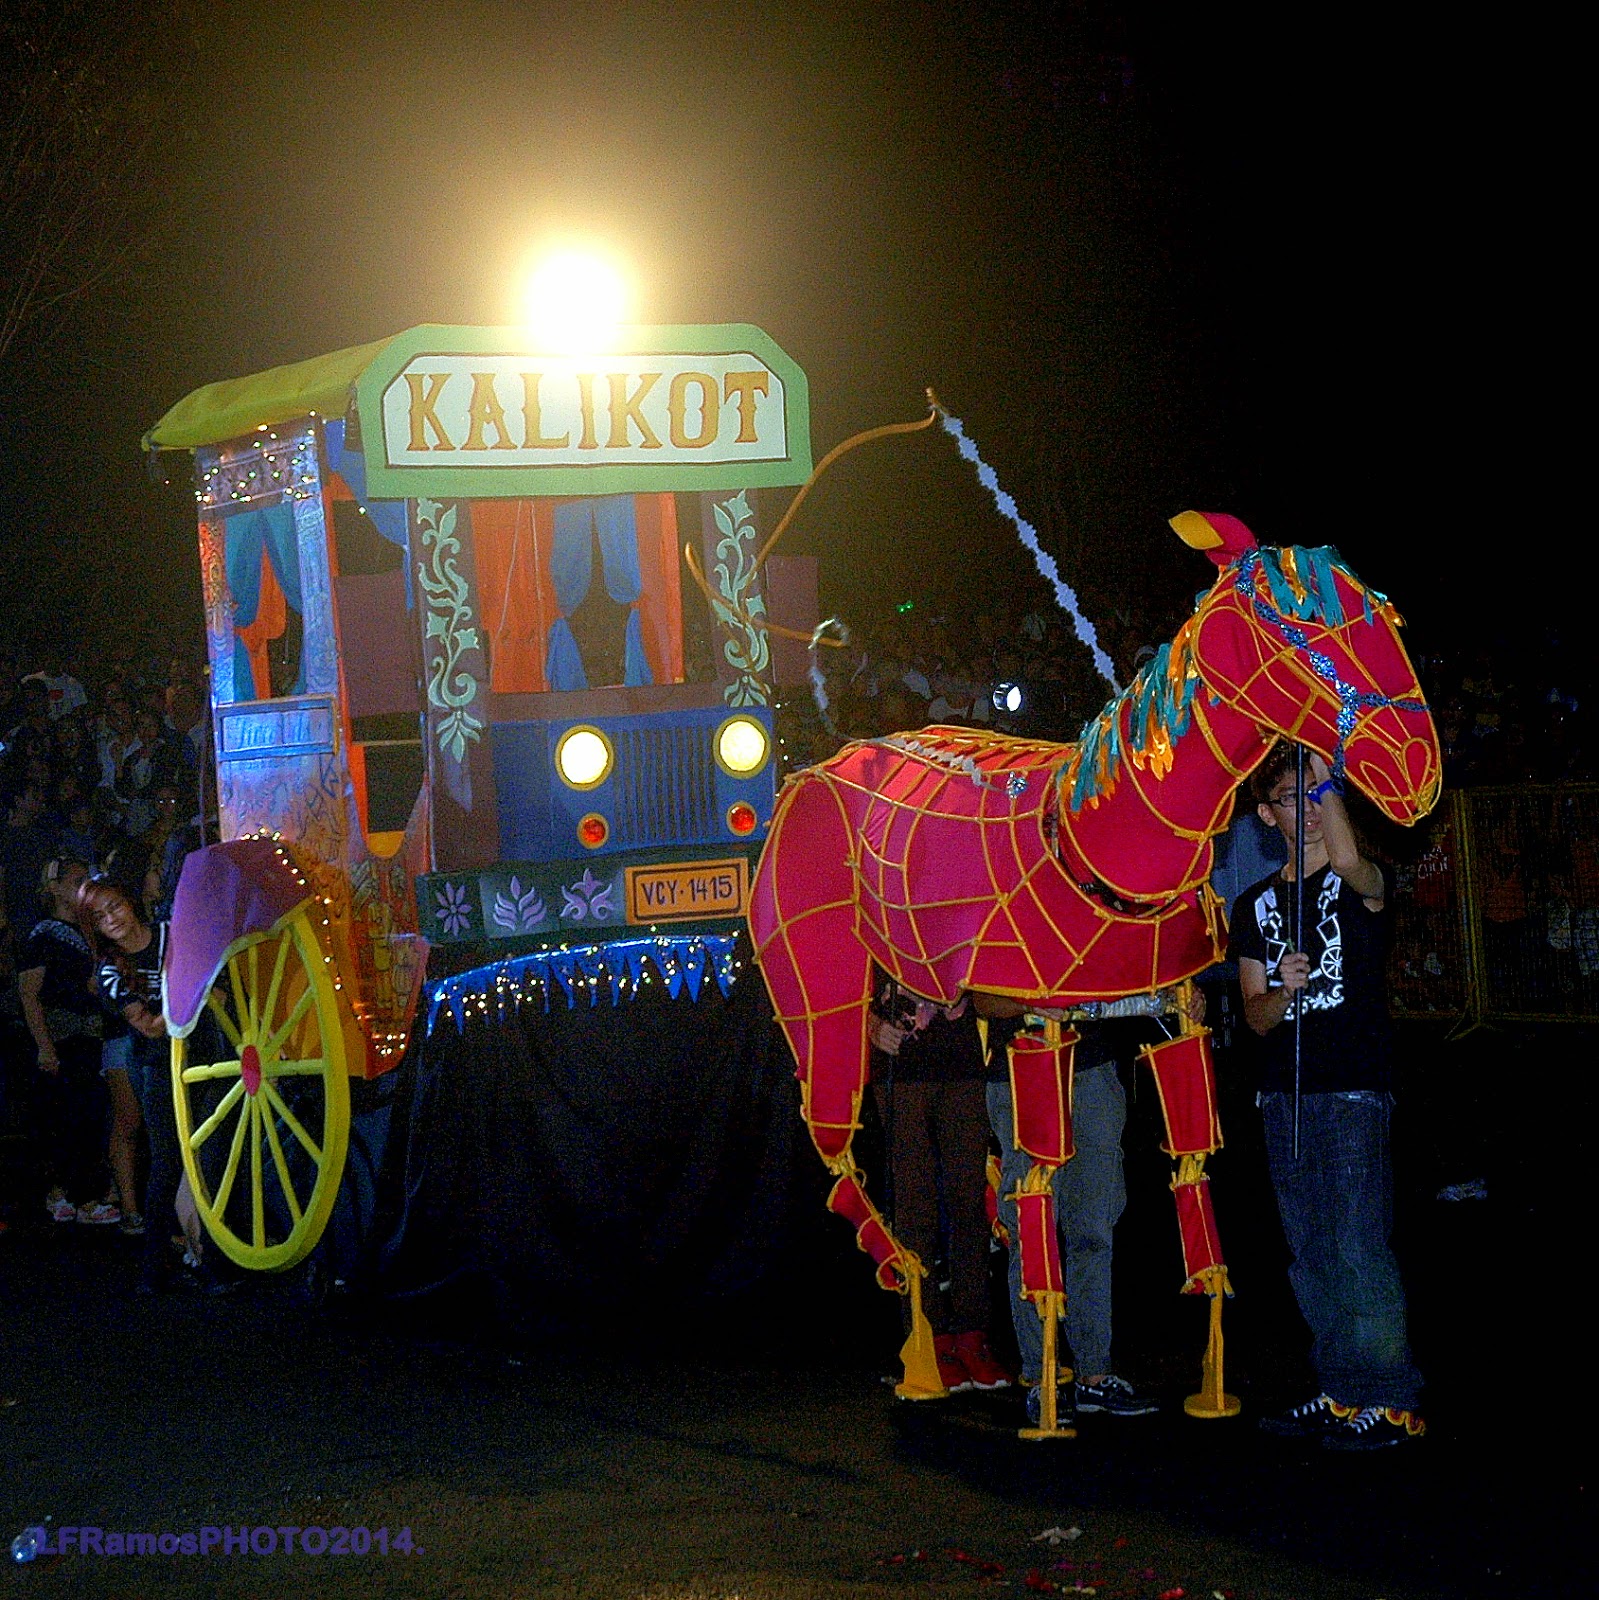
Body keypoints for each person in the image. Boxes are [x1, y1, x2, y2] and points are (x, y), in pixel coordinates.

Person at [1232, 742, 1425, 1450]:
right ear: (1265, 815)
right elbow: (1253, 1017)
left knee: (1356, 1244)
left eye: (1316, 797)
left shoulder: (1358, 881)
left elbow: (1347, 860)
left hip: (1351, 1091)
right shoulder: (1252, 905)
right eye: (1293, 799)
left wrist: (1321, 772)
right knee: (1309, 1250)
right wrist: (1284, 990)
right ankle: (1341, 1386)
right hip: (1283, 1096)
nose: (1309, 811)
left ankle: (1391, 1396)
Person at [982, 992, 1201, 1425]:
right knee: (1032, 1227)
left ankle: (1094, 1374)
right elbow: (981, 999)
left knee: (1094, 1230)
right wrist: (1030, 1004)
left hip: (1092, 1068)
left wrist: (1178, 996)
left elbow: (1134, 965)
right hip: (1021, 1068)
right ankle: (1040, 1376)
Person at [869, 978, 1011, 1393]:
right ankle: (927, 1337)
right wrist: (871, 1027)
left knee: (970, 1204)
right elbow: (844, 981)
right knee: (915, 1209)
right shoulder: (873, 925)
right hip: (901, 1067)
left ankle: (972, 1336)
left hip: (962, 1063)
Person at [78, 880, 180, 1288]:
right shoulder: (109, 970)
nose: (112, 919)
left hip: (206, 1053)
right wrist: (192, 1001)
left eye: (115, 906)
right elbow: (150, 1027)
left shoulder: (171, 933)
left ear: (130, 903)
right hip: (156, 1065)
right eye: (100, 917)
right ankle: (154, 1268)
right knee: (167, 1160)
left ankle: (206, 1255)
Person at [15, 858, 118, 1226]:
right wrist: (44, 1045)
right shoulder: (43, 934)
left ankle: (85, 1195)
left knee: (88, 1118)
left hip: (92, 1035)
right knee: (60, 1118)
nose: (82, 887)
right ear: (55, 888)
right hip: (61, 1036)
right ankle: (60, 1193)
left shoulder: (92, 929)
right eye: (75, 881)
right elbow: (29, 993)